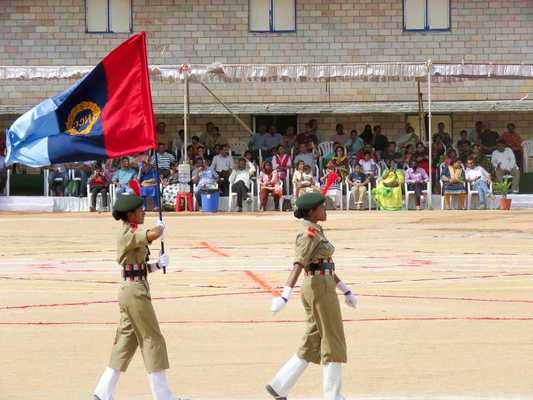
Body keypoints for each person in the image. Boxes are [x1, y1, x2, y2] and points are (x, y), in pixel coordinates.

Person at [266, 192, 356, 400]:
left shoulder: (315, 230)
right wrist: (284, 295)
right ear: (312, 211)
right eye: (322, 207)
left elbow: (323, 265)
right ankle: (333, 396)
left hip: (321, 283)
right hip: (319, 289)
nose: (325, 210)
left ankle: (279, 385)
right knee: (333, 341)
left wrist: (345, 289)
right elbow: (299, 264)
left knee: (313, 341)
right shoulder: (308, 232)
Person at [93, 194, 175, 400]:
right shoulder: (130, 231)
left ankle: (103, 392)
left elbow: (137, 268)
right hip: (135, 292)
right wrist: (160, 228)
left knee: (126, 341)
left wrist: (157, 264)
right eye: (140, 210)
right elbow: (150, 235)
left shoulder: (130, 232)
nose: (143, 212)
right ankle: (163, 396)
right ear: (130, 215)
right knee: (152, 339)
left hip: (132, 287)